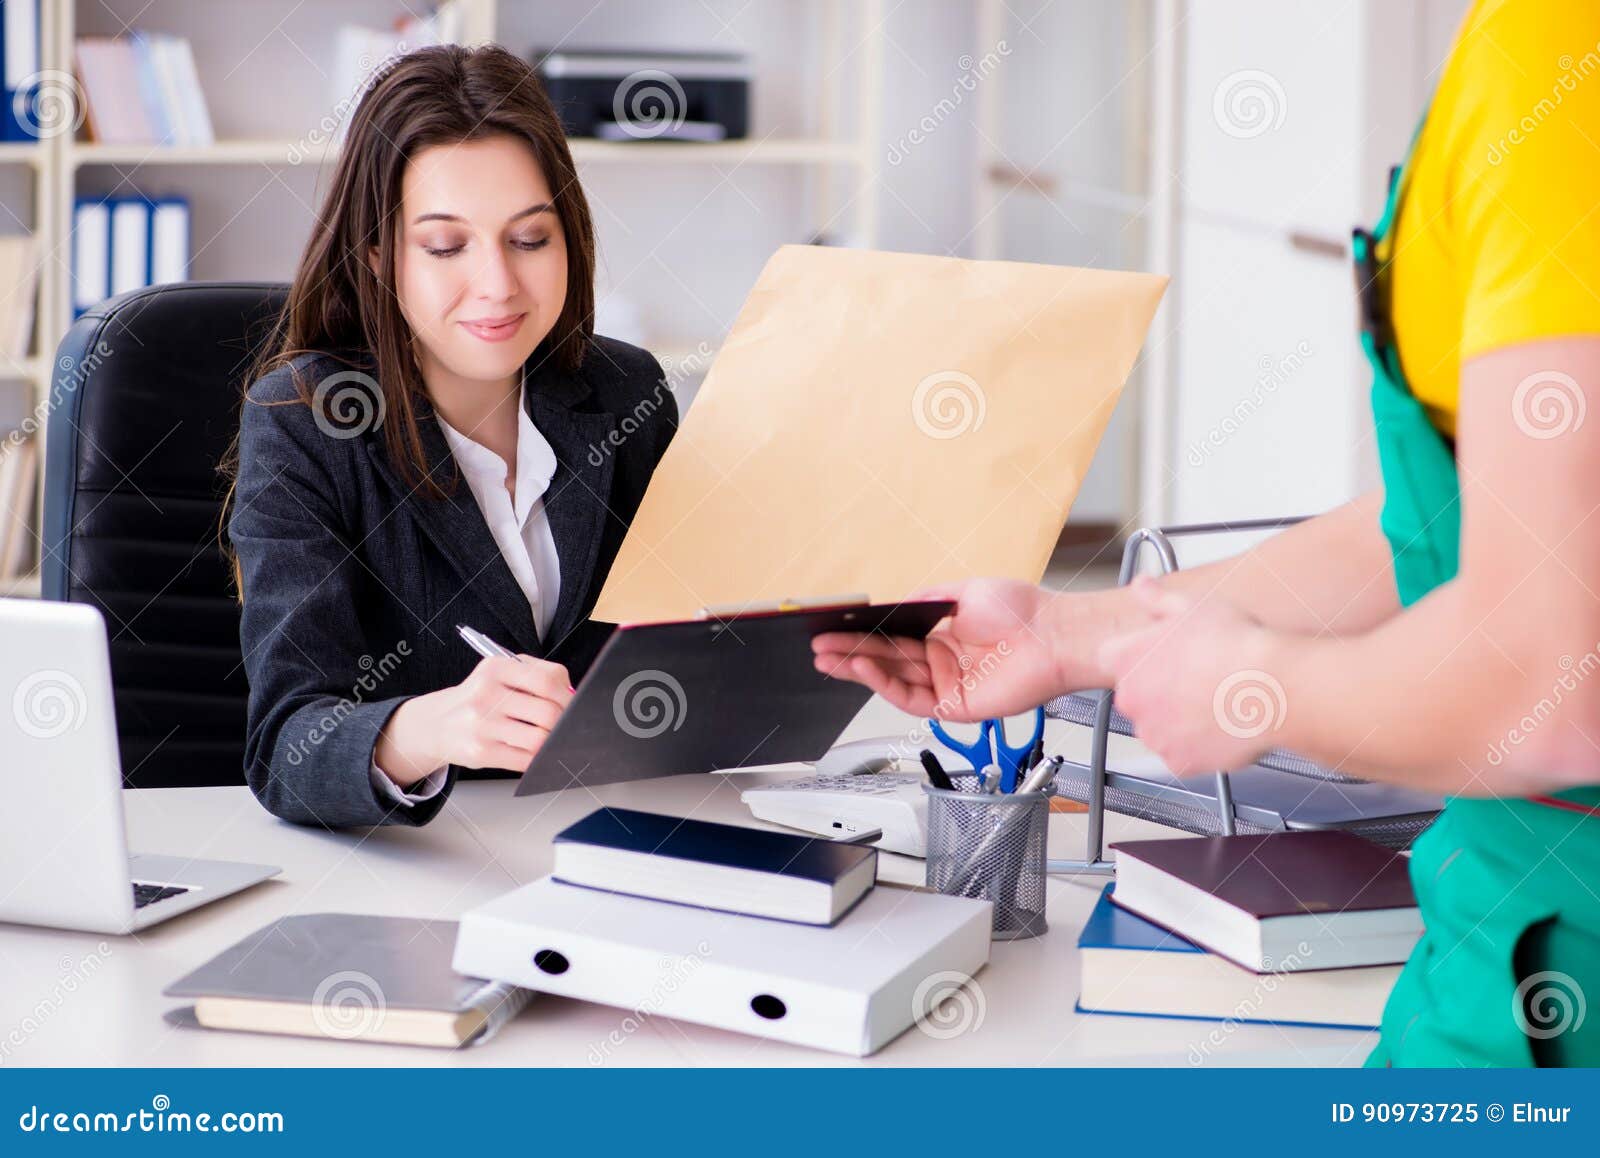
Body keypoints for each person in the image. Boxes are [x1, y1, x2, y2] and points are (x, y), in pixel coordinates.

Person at [815, 0, 1600, 1066]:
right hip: (1492, 935)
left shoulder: (1557, 58)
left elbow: (1548, 683)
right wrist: (1072, 637)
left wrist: (1259, 689)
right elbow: (1430, 525)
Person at [226, 45, 676, 829]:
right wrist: (429, 730)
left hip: (616, 852)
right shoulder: (305, 424)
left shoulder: (628, 394)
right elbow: (285, 749)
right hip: (415, 883)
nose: (499, 284)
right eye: (444, 247)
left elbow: (698, 656)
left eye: (530, 239)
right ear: (378, 260)